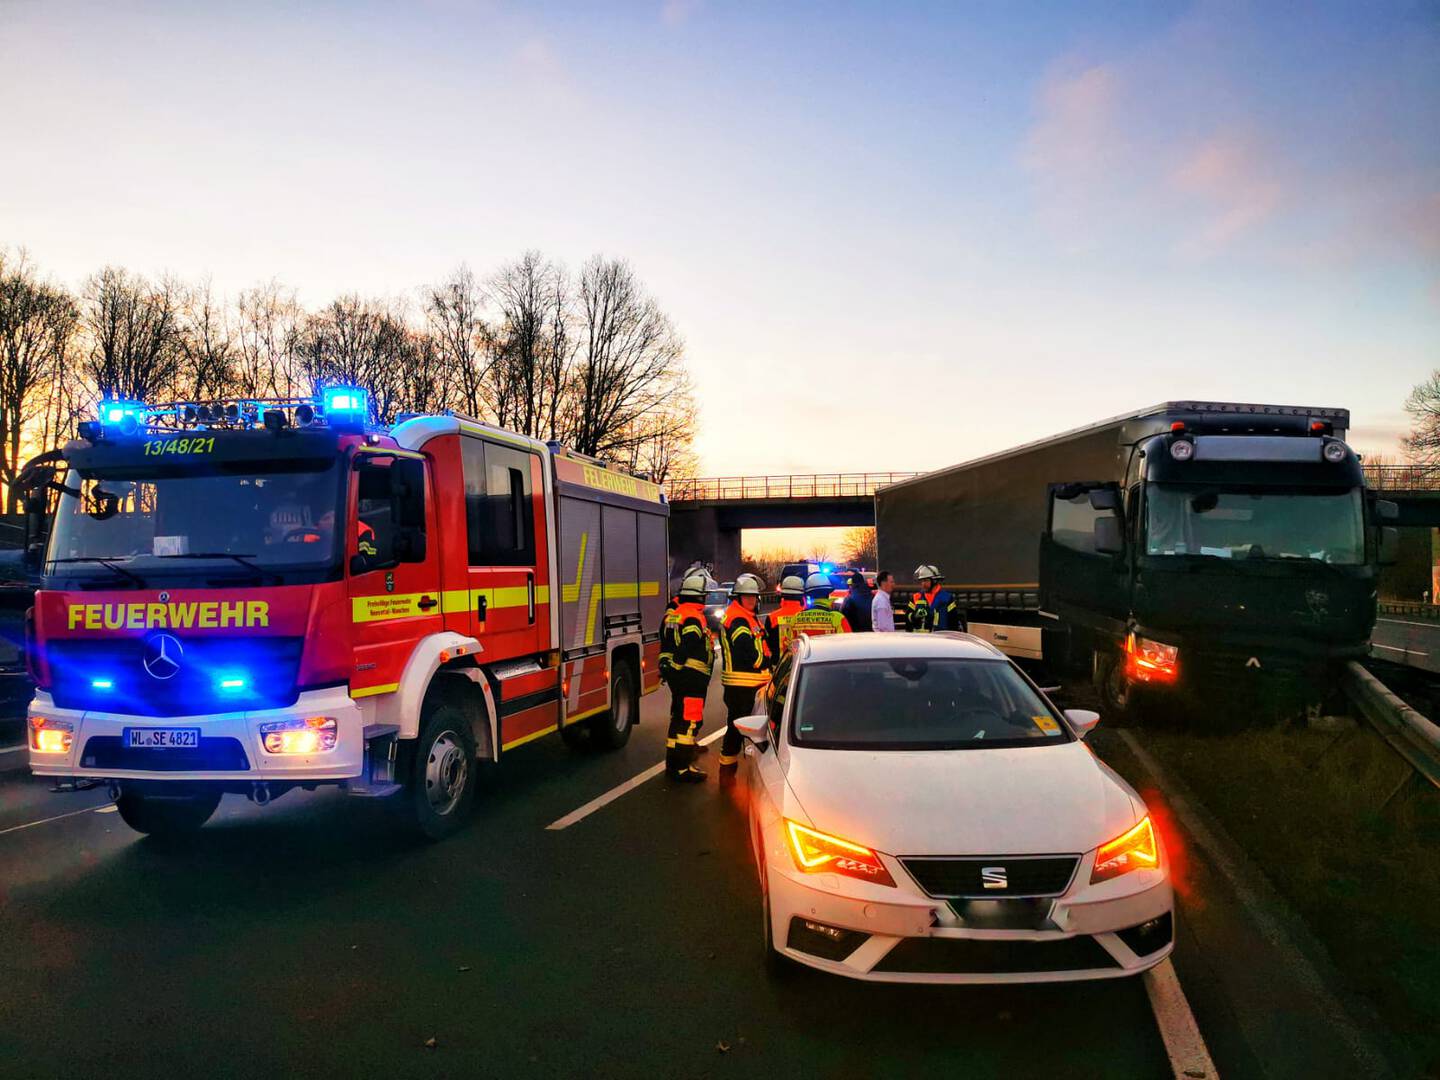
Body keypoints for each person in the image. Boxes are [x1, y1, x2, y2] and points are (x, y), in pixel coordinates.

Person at [659, 569, 714, 783]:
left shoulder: (673, 614)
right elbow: (689, 642)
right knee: (690, 721)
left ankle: (672, 765)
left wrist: (669, 667)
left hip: (679, 678)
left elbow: (666, 641)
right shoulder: (693, 616)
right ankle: (683, 768)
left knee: (678, 720)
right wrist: (677, 664)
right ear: (699, 596)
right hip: (693, 678)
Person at [718, 573, 772, 777]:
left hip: (749, 683)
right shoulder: (738, 619)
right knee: (738, 728)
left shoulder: (746, 616)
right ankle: (727, 772)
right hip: (742, 684)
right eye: (747, 596)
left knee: (744, 727)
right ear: (738, 597)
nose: (751, 600)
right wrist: (763, 662)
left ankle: (730, 768)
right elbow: (745, 649)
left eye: (754, 597)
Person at [788, 571, 853, 639]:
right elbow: (848, 642)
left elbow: (789, 643)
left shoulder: (795, 619)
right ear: (828, 593)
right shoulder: (838, 618)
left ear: (808, 595)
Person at [906, 564, 959, 633]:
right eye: (921, 581)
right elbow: (907, 618)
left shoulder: (947, 598)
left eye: (926, 580)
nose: (923, 584)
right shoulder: (916, 597)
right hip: (919, 638)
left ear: (934, 581)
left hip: (941, 638)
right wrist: (915, 616)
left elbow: (954, 622)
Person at [764, 574, 806, 657]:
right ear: (801, 595)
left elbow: (767, 644)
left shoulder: (772, 618)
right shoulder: (806, 616)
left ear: (782, 594)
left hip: (778, 663)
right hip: (801, 662)